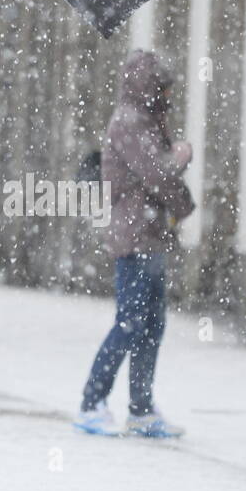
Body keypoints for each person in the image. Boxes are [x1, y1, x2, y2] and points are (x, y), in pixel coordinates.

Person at [75, 49, 194, 438]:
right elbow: (156, 173)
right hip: (135, 237)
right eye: (163, 88)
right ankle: (92, 402)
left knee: (151, 325)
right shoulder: (131, 123)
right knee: (129, 323)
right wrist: (180, 165)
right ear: (149, 88)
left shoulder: (146, 121)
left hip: (151, 237)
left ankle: (141, 409)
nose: (169, 96)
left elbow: (156, 174)